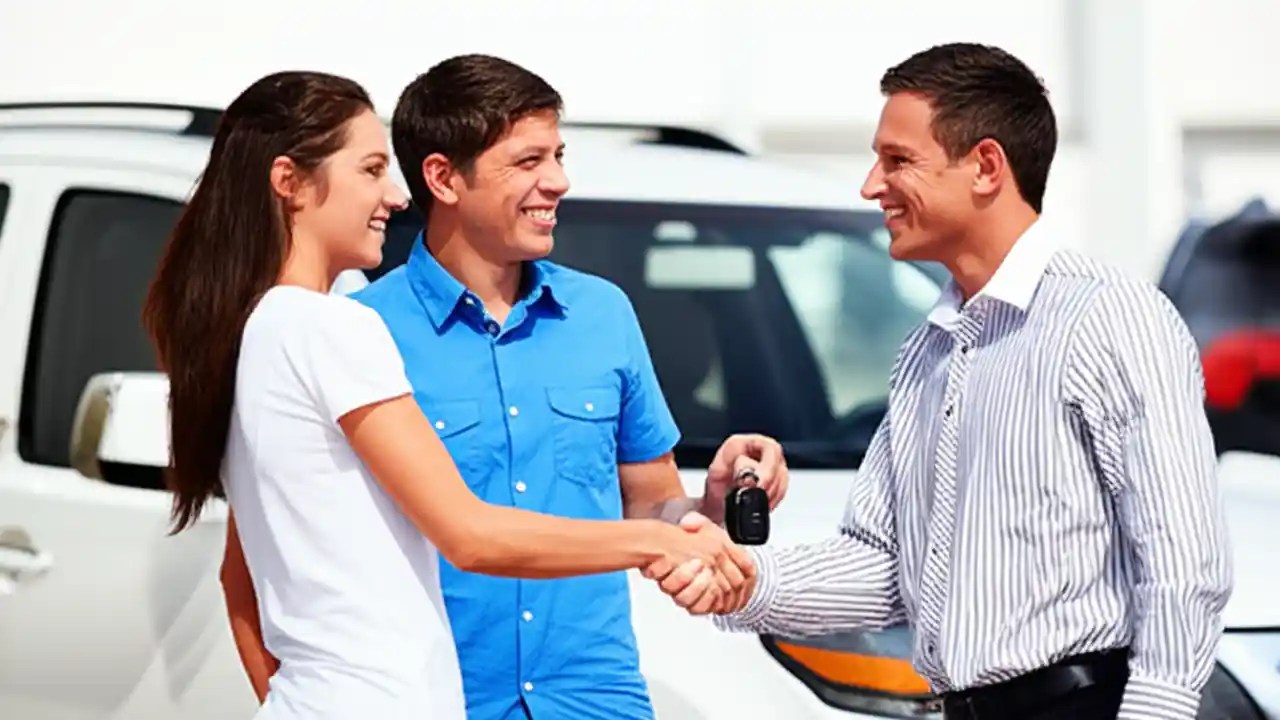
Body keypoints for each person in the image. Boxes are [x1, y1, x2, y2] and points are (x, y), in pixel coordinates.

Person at [141, 69, 752, 720]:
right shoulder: (343, 326)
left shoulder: (261, 326)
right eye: (372, 169)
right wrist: (665, 544)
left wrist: (697, 515)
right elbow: (469, 534)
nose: (393, 196)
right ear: (289, 183)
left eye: (558, 156)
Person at [667, 43, 1234, 720]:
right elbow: (884, 566)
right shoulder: (929, 350)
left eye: (898, 160)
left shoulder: (1107, 317)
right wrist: (742, 580)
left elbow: (1182, 563)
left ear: (986, 167)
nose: (871, 185)